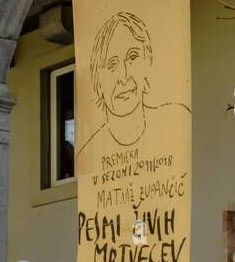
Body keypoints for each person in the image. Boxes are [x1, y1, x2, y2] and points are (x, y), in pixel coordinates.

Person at [77, 11, 191, 157]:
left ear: (147, 61)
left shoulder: (176, 118)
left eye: (132, 57)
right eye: (112, 65)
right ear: (97, 83)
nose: (124, 77)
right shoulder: (88, 155)